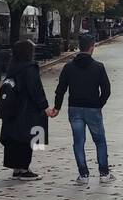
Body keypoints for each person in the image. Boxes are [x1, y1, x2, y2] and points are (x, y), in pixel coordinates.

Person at [48, 33, 112, 186]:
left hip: (75, 108)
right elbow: (106, 90)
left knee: (78, 141)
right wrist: (99, 104)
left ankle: (83, 174)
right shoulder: (98, 67)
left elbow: (60, 89)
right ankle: (104, 172)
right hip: (93, 108)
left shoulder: (69, 67)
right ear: (92, 47)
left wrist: (57, 107)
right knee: (100, 141)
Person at [0, 39, 50, 180]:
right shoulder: (30, 68)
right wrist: (44, 106)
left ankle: (16, 169)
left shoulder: (12, 68)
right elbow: (36, 89)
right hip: (26, 110)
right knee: (26, 139)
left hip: (12, 110)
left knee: (14, 139)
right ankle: (24, 169)